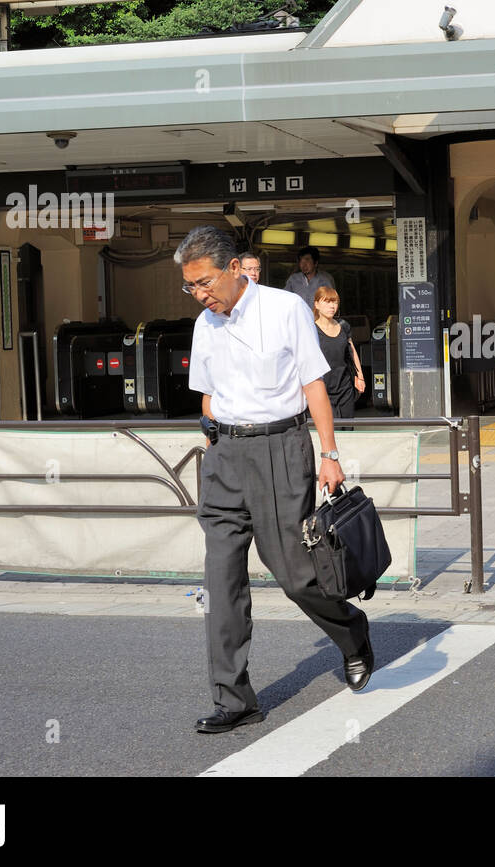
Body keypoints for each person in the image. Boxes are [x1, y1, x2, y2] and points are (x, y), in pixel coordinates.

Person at [177, 225, 372, 735]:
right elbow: (207, 395)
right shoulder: (204, 325)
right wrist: (215, 440)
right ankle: (234, 698)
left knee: (294, 575)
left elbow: (314, 384)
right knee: (220, 582)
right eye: (190, 287)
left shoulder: (285, 309)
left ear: (233, 269)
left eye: (204, 283)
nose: (199, 295)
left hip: (281, 450)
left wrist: (329, 453)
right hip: (225, 457)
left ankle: (351, 631)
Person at [312, 286, 365, 421]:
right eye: (327, 302)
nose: (332, 306)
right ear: (317, 304)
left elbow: (351, 352)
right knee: (330, 427)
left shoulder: (343, 325)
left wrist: (360, 377)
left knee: (347, 428)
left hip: (344, 386)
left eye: (335, 302)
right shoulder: (311, 329)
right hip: (322, 387)